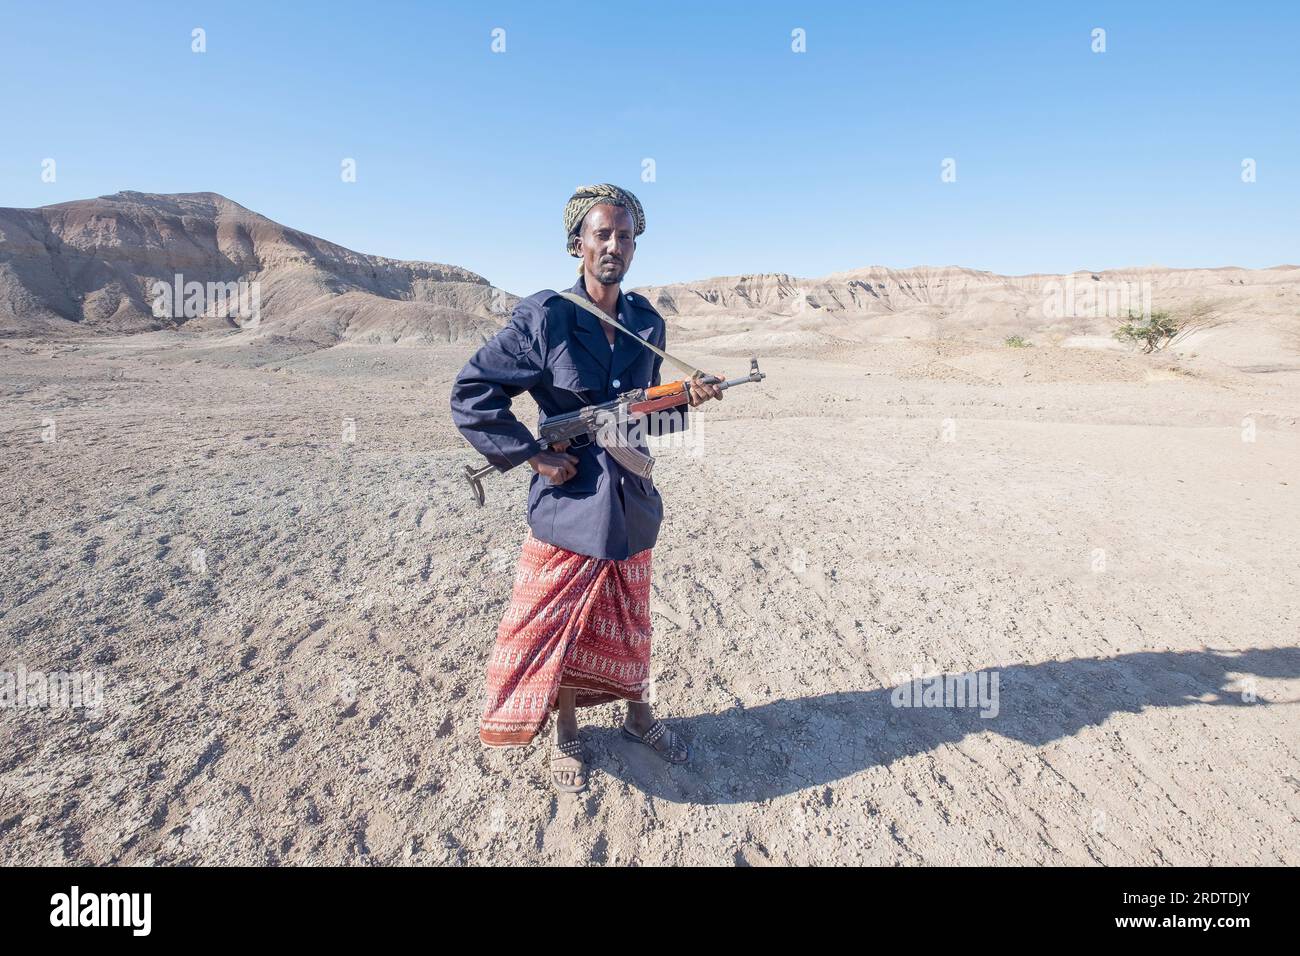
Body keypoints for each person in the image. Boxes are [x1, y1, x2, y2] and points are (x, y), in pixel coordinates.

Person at [449, 184, 722, 792]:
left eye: (625, 236)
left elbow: (650, 419)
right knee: (565, 626)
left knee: (630, 620)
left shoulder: (647, 323)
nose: (614, 246)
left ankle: (639, 717)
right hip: (569, 504)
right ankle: (566, 733)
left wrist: (688, 400)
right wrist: (534, 457)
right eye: (603, 234)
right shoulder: (546, 316)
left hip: (630, 499)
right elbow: (472, 393)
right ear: (578, 243)